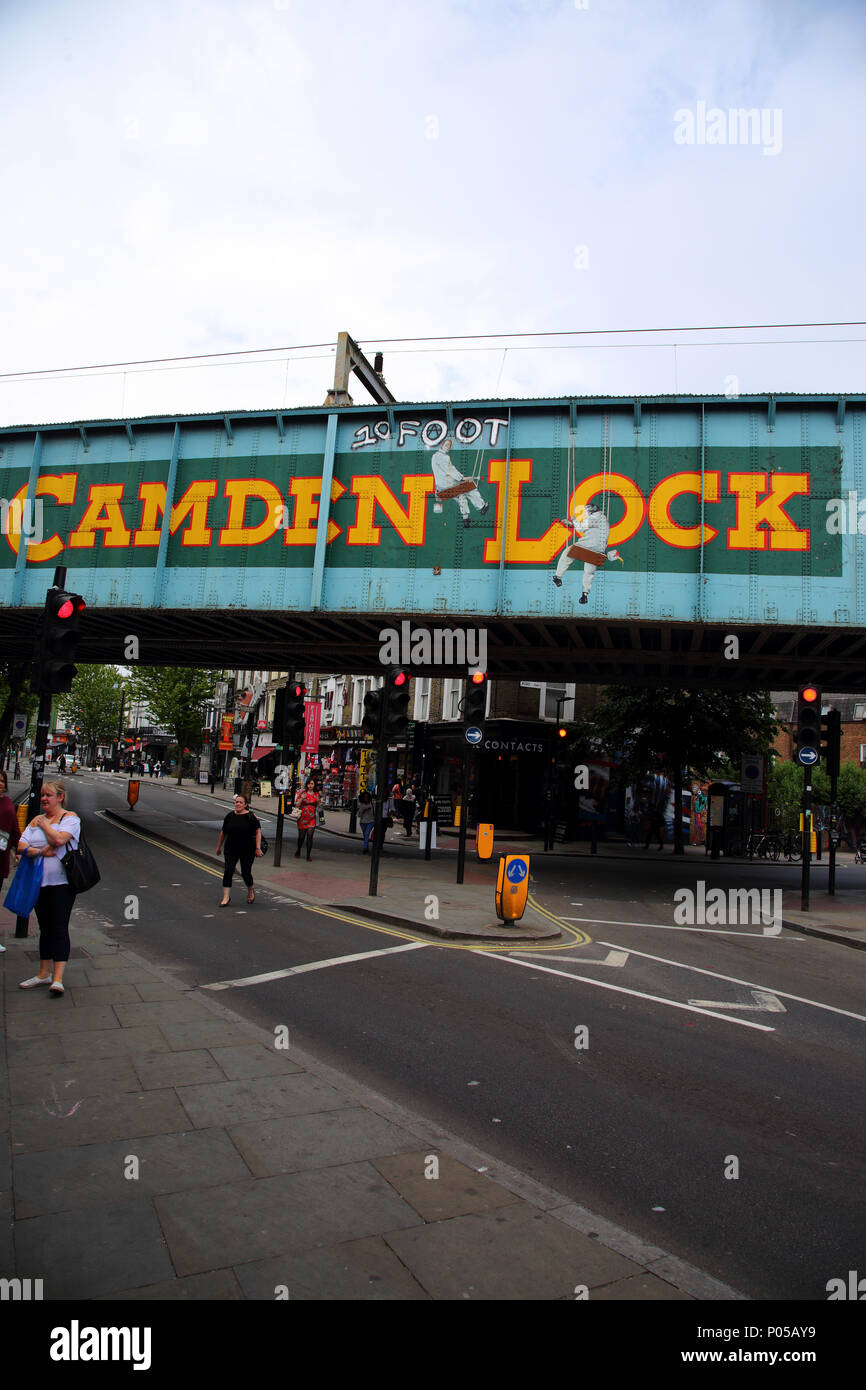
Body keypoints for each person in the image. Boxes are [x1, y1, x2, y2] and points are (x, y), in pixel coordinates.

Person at [16, 780, 80, 994]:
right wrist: (41, 851)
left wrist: (44, 827)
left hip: (62, 884)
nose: (43, 799)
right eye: (42, 795)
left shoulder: (70, 818)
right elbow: (21, 844)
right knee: (45, 928)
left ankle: (58, 979)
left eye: (48, 795)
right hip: (38, 882)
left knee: (59, 928)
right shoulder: (34, 819)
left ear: (60, 797)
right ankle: (43, 974)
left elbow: (60, 840)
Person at [552, 501, 623, 600]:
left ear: (591, 511)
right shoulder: (603, 519)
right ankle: (584, 594)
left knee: (567, 554)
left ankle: (557, 576)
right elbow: (590, 528)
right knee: (589, 572)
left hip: (586, 546)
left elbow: (581, 528)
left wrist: (573, 520)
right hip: (599, 551)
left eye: (586, 511)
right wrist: (572, 524)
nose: (585, 513)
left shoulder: (595, 518)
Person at [429, 437, 489, 527]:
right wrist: (464, 478)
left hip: (440, 491)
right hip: (447, 486)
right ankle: (481, 506)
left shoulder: (434, 457)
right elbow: (451, 471)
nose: (448, 447)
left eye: (449, 446)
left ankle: (465, 519)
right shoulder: (444, 457)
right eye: (446, 445)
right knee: (470, 487)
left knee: (461, 496)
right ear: (442, 445)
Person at [216, 793, 262, 905]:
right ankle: (226, 897)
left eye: (241, 802)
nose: (238, 804)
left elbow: (258, 832)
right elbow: (223, 832)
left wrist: (257, 848)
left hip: (247, 849)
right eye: (236, 802)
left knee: (246, 872)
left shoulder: (251, 817)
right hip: (231, 848)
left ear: (245, 804)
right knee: (228, 870)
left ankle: (250, 890)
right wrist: (219, 847)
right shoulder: (229, 816)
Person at [0, 770, 21, 951]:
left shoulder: (7, 802)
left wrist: (19, 850)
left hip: (0, 857)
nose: (0, 784)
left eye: (1, 781)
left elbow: (14, 829)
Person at [293, 778, 320, 861]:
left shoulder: (316, 794)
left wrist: (319, 801)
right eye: (309, 784)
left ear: (314, 785)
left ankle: (308, 855)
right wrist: (301, 798)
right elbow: (296, 805)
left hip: (312, 818)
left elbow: (319, 805)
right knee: (301, 837)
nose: (310, 785)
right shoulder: (302, 793)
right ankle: (298, 850)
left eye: (312, 784)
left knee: (310, 836)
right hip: (302, 818)